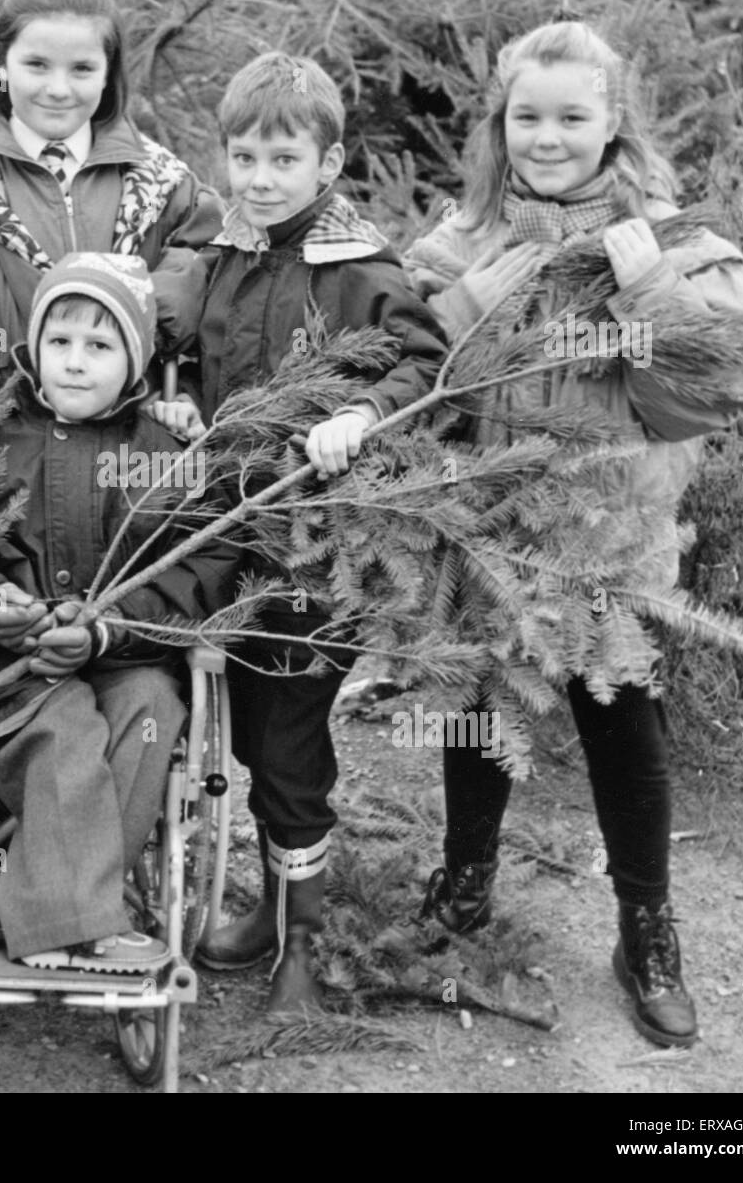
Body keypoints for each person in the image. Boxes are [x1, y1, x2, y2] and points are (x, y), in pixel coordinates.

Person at [403, 20, 743, 1048]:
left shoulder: (670, 239)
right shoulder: (467, 236)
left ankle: (645, 928)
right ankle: (465, 879)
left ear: (612, 122)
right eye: (526, 116)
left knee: (622, 726)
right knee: (477, 708)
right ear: (500, 120)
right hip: (488, 535)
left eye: (572, 117)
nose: (547, 136)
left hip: (613, 542)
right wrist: (471, 299)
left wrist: (648, 290)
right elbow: (398, 366)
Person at [0, 0, 223, 854]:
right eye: (36, 65)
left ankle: (68, 874)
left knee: (129, 694)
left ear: (111, 76)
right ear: (0, 68)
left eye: (82, 69)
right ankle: (17, 867)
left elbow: (206, 260)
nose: (58, 87)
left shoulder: (156, 182)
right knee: (26, 696)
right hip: (3, 461)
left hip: (117, 471)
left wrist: (136, 310)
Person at [151, 52, 449, 1013]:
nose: (260, 177)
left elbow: (421, 365)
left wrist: (361, 416)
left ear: (329, 164)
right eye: (243, 156)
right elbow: (190, 358)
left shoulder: (359, 268)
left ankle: (302, 952)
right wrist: (184, 409)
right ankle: (272, 909)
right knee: (240, 730)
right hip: (227, 532)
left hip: (316, 549)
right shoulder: (226, 257)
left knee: (289, 739)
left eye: (283, 158)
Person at [0, 252, 236, 972]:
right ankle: (74, 918)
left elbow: (201, 569)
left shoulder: (164, 449)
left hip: (124, 652)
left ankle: (29, 896)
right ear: (35, 349)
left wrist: (111, 626)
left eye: (99, 346)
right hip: (11, 669)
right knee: (65, 725)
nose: (74, 362)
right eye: (59, 341)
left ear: (134, 361)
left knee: (153, 708)